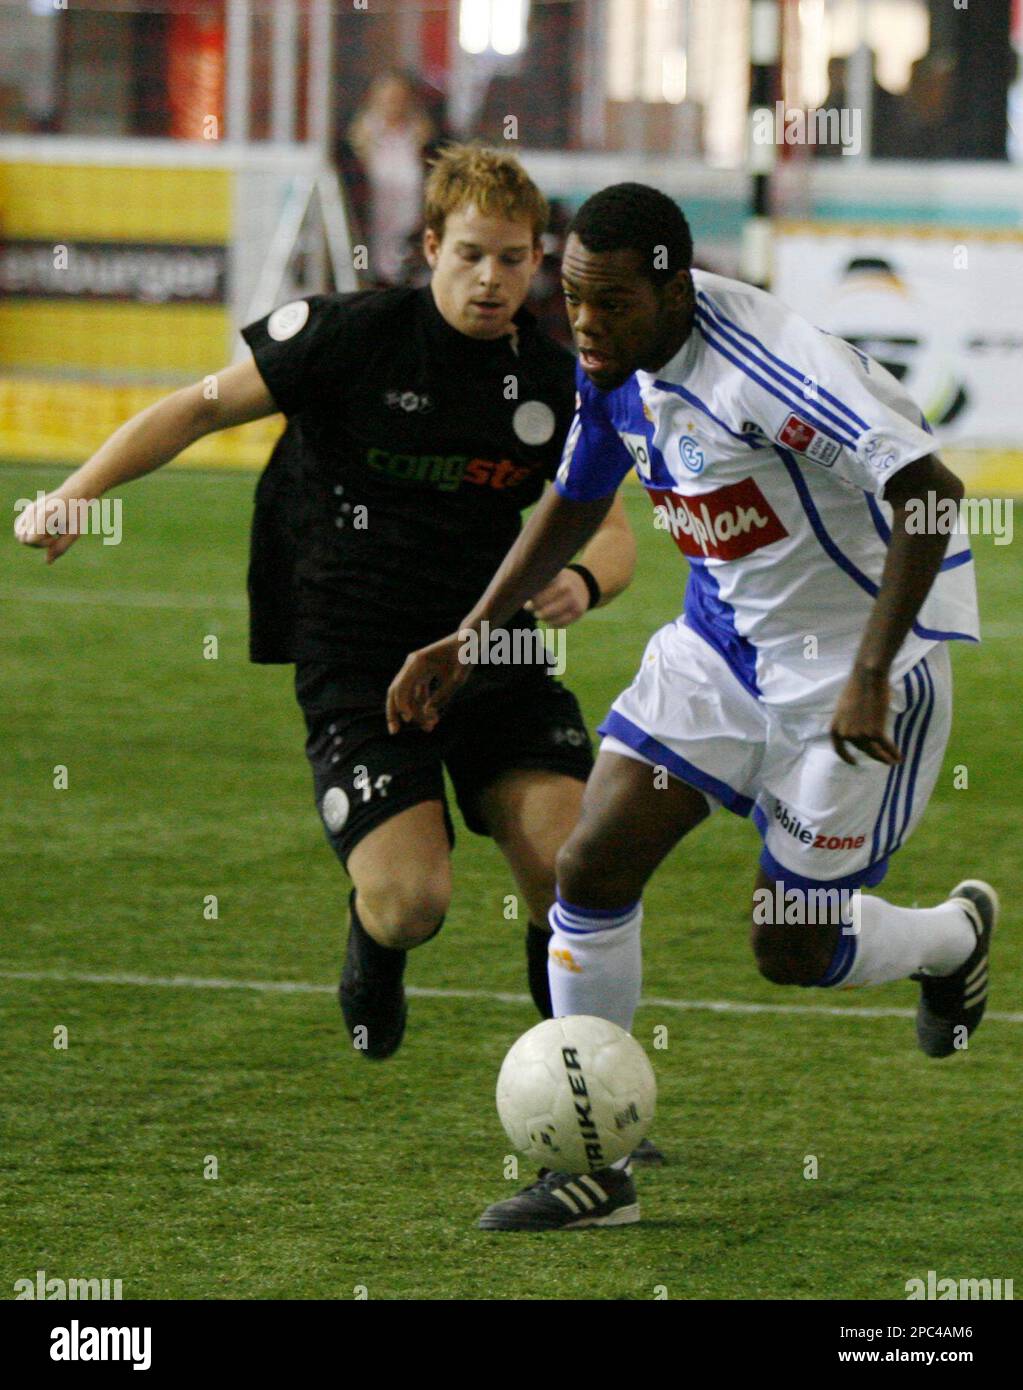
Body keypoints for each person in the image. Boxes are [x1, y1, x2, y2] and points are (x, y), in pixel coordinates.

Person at [387, 183, 996, 1232]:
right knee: (590, 864)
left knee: (789, 943)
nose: (582, 321)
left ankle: (952, 938)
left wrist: (865, 670)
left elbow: (932, 495)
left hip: (857, 672)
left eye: (610, 300)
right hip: (717, 654)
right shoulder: (611, 360)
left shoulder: (770, 365)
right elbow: (579, 491)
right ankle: (595, 1172)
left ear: (673, 286)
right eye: (571, 295)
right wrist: (474, 627)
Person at [14, 149, 653, 1122]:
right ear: (431, 246)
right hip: (357, 654)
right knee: (414, 901)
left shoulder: (556, 382)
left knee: (568, 867)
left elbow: (610, 528)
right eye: (473, 254)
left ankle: (585, 1096)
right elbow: (199, 407)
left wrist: (577, 579)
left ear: (538, 263)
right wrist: (73, 494)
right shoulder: (346, 335)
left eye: (516, 260)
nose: (493, 280)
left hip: (493, 651)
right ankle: (377, 945)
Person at [346, 70, 438, 285]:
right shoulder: (356, 141)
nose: (393, 105)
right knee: (365, 284)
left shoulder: (423, 140)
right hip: (368, 233)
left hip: (409, 233)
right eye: (387, 98)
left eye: (399, 99)